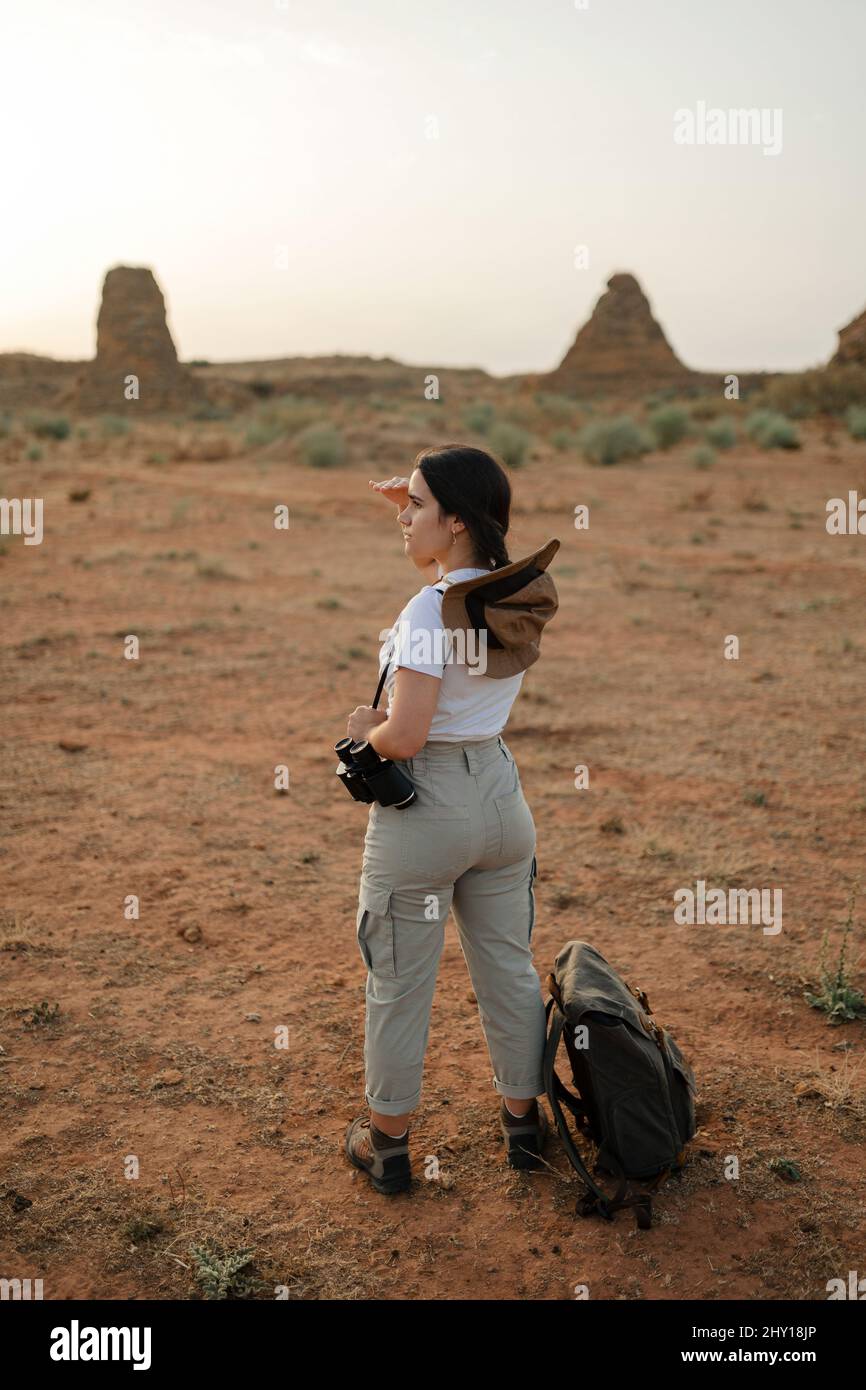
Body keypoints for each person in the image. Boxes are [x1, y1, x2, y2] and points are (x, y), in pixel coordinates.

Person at [342, 443, 560, 1195]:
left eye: (417, 507)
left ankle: (389, 1150)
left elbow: (404, 738)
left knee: (399, 980)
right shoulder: (515, 590)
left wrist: (362, 734)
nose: (402, 519)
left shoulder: (425, 610)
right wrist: (422, 500)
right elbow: (460, 577)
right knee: (506, 967)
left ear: (458, 519)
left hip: (427, 808)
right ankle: (525, 1132)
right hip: (500, 801)